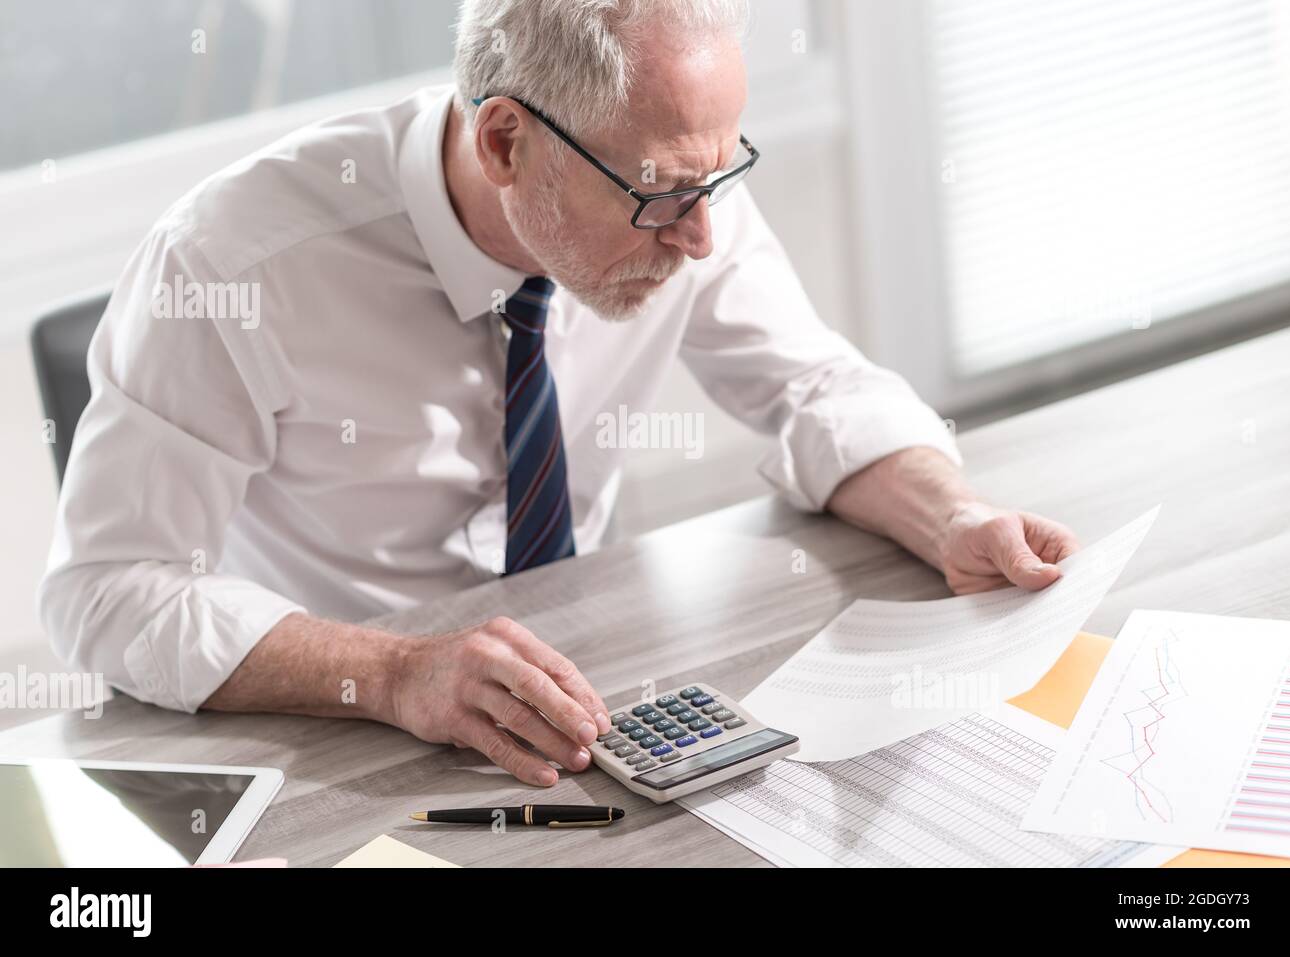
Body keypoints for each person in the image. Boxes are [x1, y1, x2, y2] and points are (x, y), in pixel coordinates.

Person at [40, 0, 1079, 788]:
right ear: (503, 142)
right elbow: (108, 590)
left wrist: (953, 515)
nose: (701, 235)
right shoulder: (232, 262)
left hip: (591, 696)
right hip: (335, 736)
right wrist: (398, 673)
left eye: (718, 178)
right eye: (666, 196)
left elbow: (812, 386)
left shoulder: (673, 178)